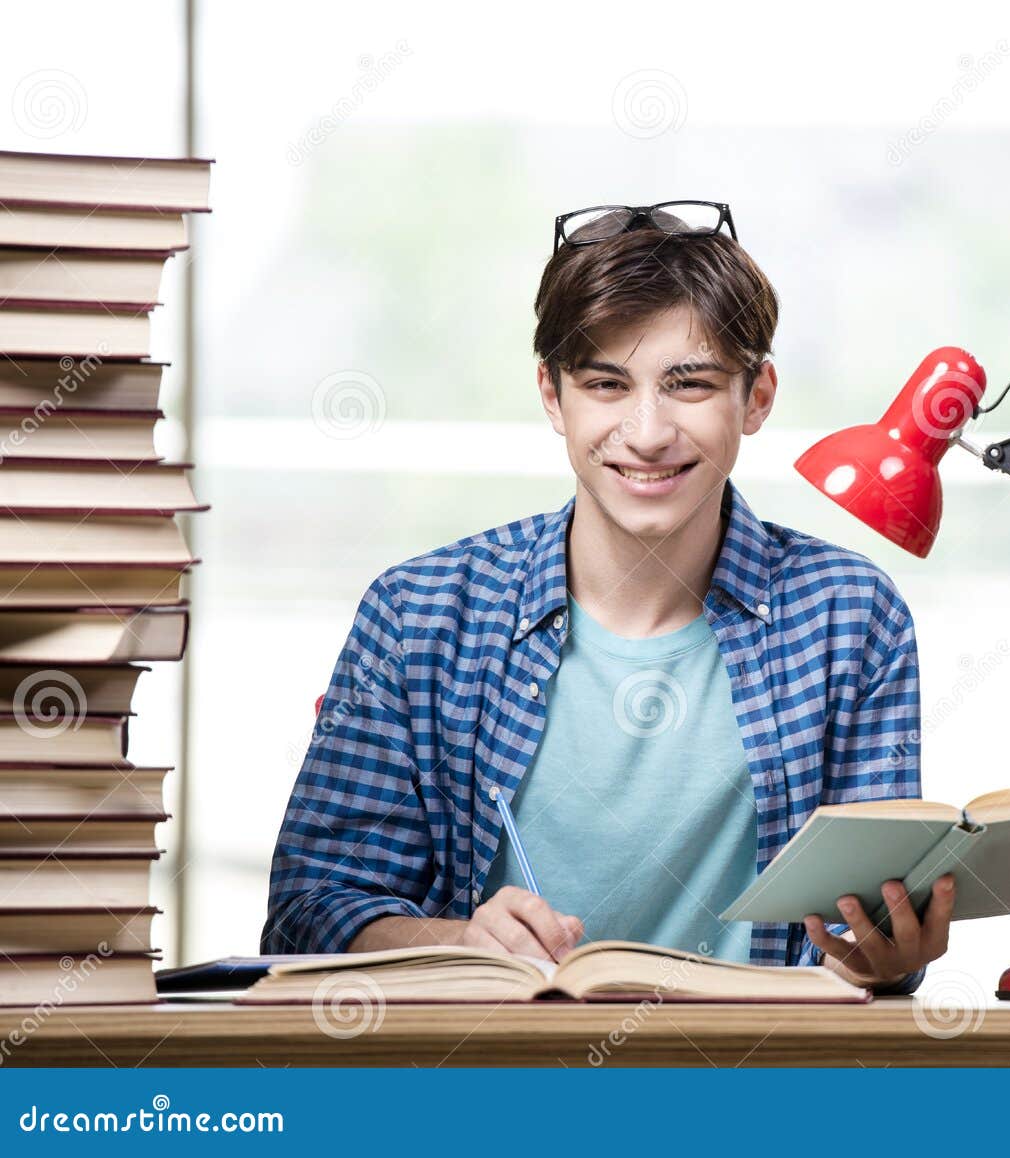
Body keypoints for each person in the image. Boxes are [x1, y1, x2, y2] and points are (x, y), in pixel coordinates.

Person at [262, 201, 952, 992]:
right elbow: (306, 912)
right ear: (554, 397)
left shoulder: (850, 616)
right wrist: (461, 940)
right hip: (490, 1055)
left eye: (690, 384)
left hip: (758, 1058)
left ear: (757, 396)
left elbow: (865, 937)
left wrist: (881, 960)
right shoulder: (417, 613)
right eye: (606, 385)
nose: (648, 432)